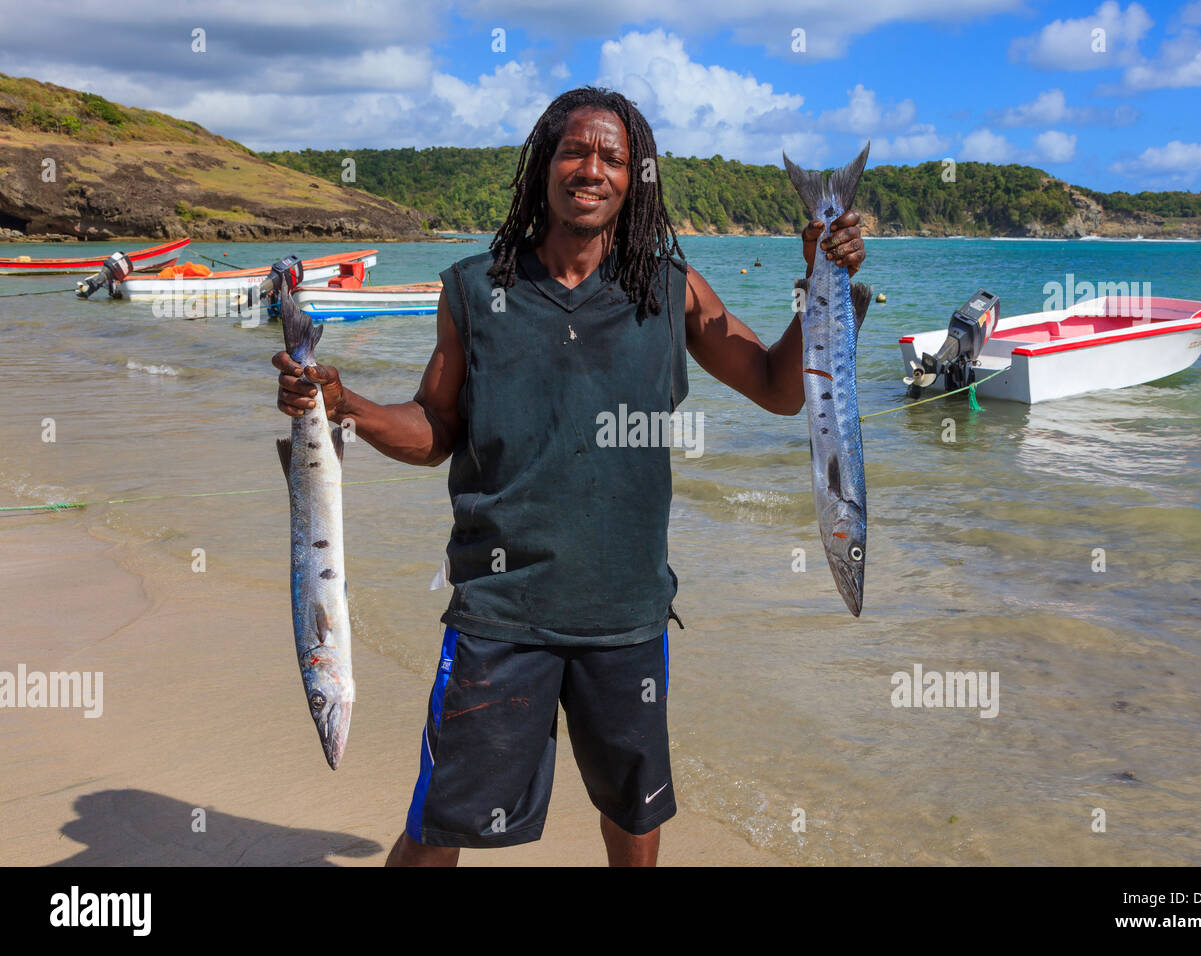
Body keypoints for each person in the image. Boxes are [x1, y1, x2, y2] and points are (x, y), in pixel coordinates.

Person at [274, 87, 866, 867]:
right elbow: (434, 429)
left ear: (636, 178)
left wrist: (820, 284)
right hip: (499, 609)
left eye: (613, 157)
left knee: (633, 820)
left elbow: (780, 388)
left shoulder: (669, 288)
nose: (592, 169)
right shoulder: (474, 289)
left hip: (626, 613)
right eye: (575, 151)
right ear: (544, 165)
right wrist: (344, 404)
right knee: (441, 824)